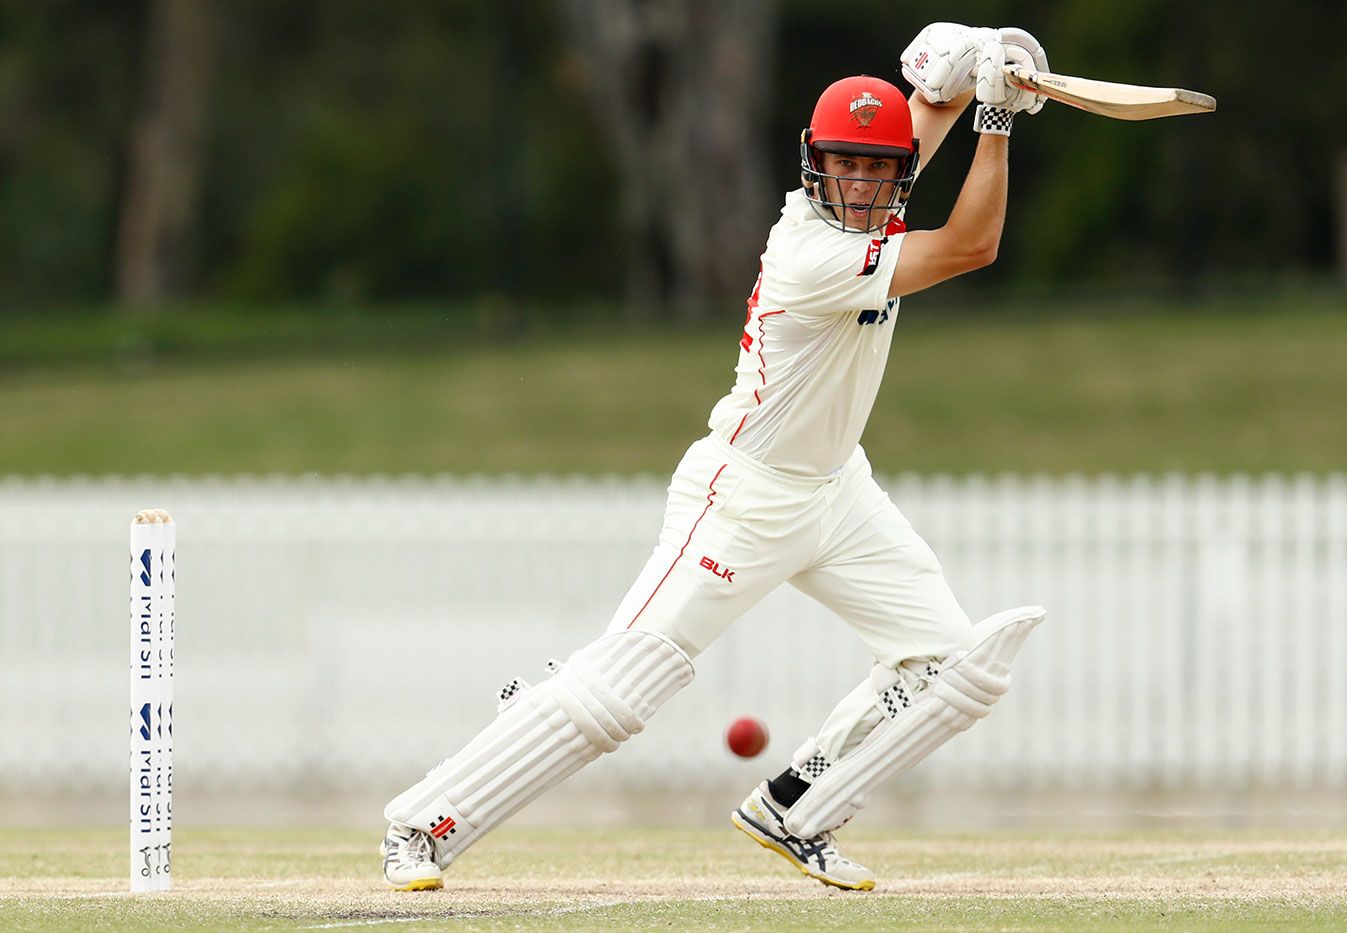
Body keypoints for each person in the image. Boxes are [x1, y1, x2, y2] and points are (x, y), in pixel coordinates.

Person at [379, 22, 1049, 893]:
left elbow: (916, 121)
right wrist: (995, 122)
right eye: (844, 166)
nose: (860, 184)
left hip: (838, 491)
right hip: (743, 495)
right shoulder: (813, 252)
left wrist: (969, 75)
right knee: (622, 690)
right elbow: (971, 245)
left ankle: (799, 805)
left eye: (879, 171)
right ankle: (420, 824)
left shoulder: (874, 198)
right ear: (814, 165)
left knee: (952, 667)